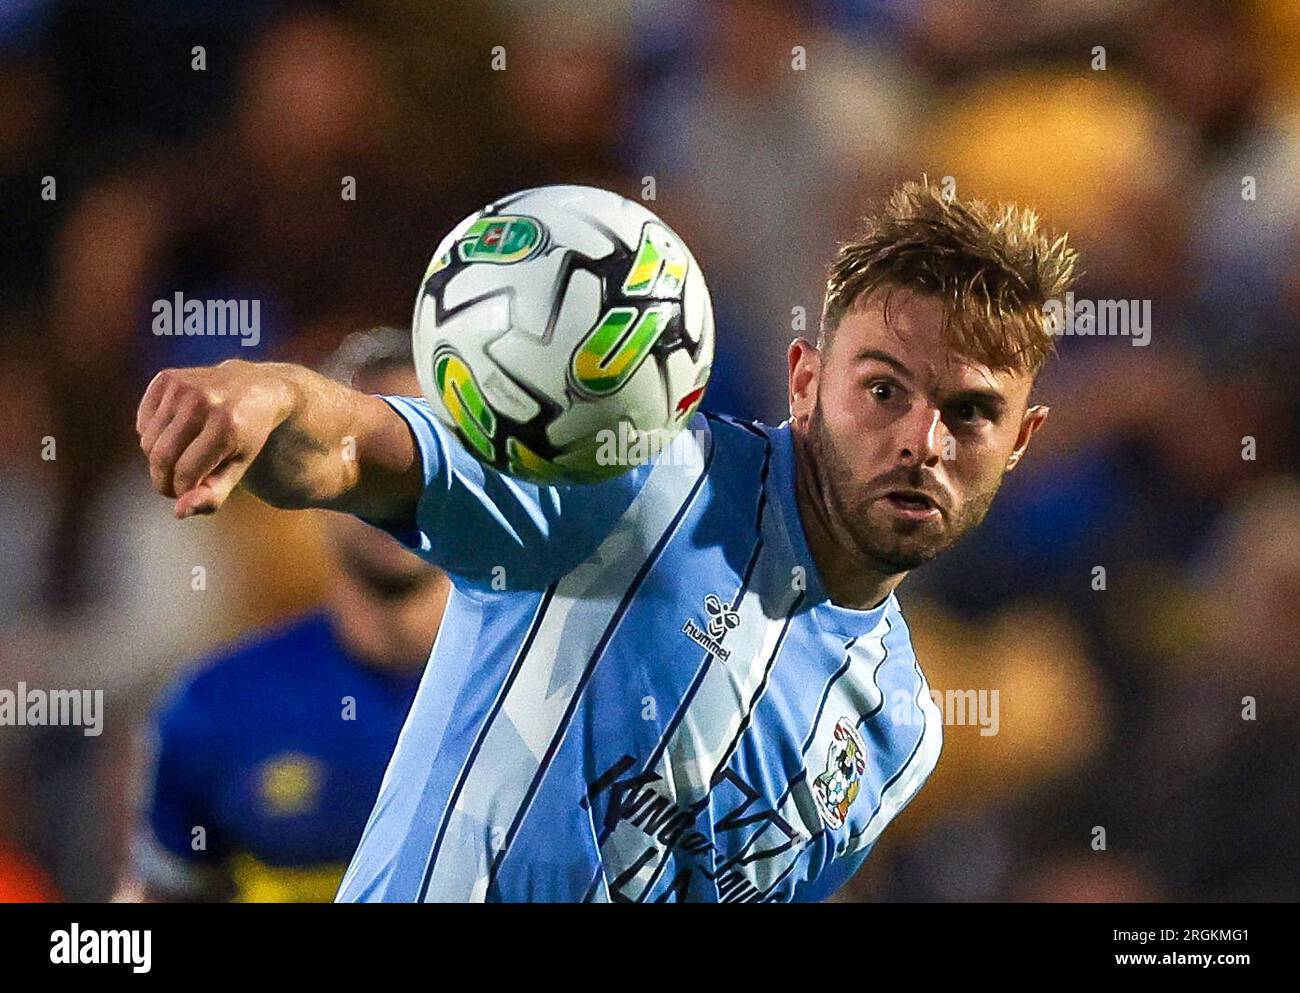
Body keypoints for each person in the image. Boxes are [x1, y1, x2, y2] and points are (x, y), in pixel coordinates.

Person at [133, 179, 1077, 902]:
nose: (923, 439)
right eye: (883, 389)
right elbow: (370, 446)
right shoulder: (636, 479)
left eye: (971, 411)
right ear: (803, 381)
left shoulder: (898, 731)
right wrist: (269, 396)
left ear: (1022, 440)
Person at [126, 330, 449, 901]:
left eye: (414, 463)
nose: (392, 495)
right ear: (311, 480)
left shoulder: (555, 693)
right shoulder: (215, 708)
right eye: (368, 466)